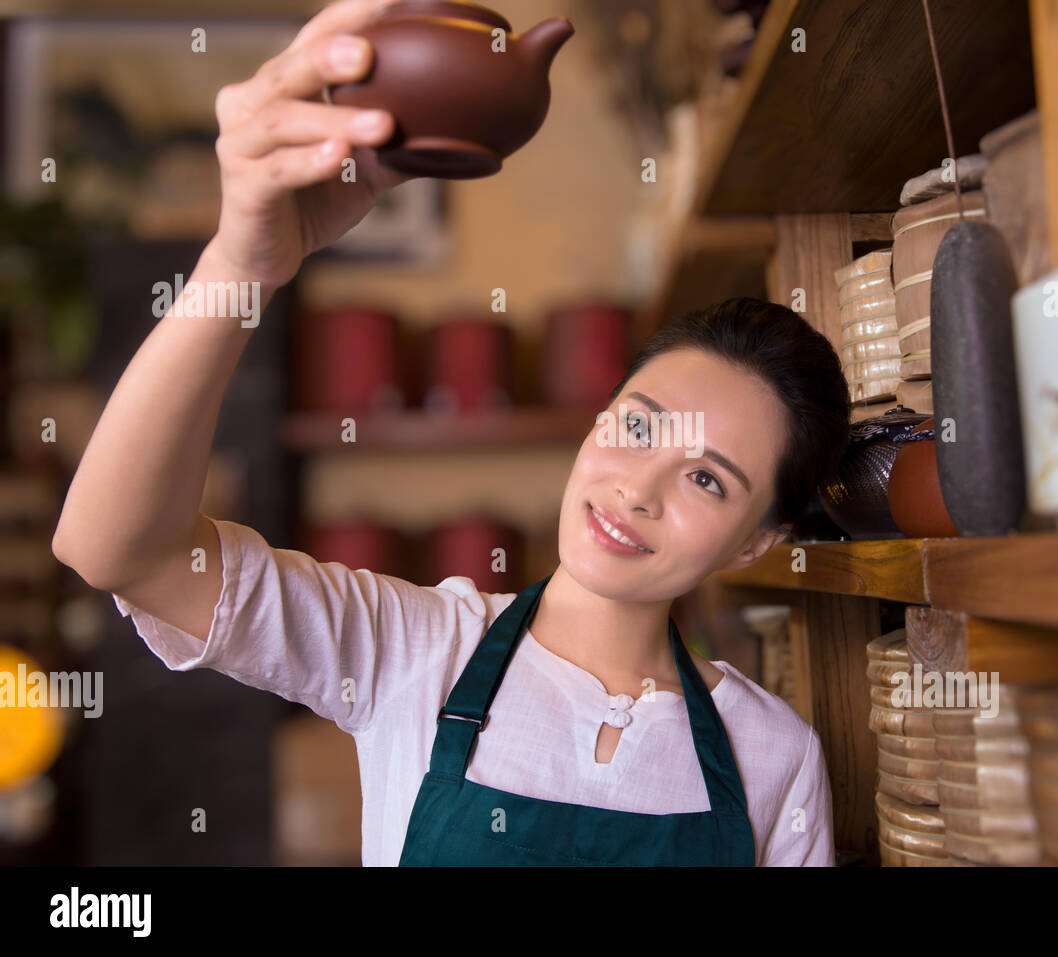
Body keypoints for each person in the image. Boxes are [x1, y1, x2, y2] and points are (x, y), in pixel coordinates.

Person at [51, 0, 850, 866]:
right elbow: (119, 552)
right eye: (635, 425)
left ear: (757, 541)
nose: (636, 487)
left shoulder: (773, 756)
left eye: (708, 479)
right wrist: (242, 266)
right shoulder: (415, 648)